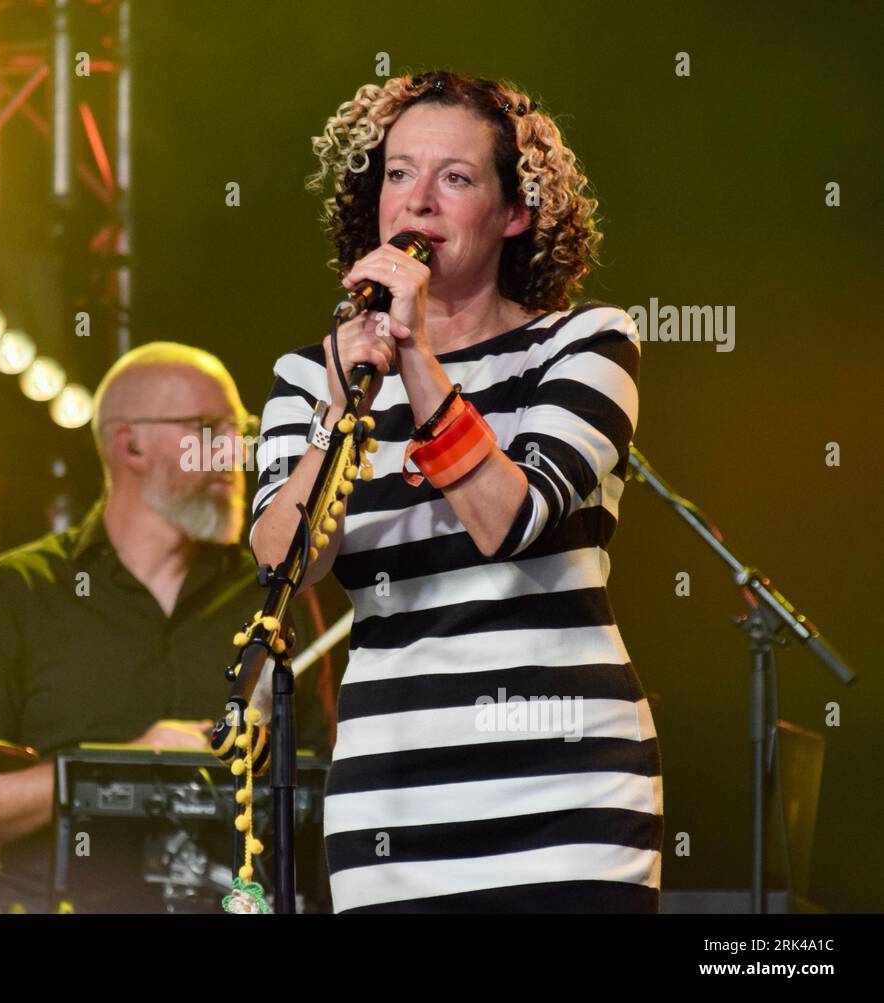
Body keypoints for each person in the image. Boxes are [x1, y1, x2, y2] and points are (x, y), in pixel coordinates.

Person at [250, 69, 663, 913]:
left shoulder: (583, 345)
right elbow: (285, 557)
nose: (419, 203)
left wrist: (415, 356)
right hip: (391, 803)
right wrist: (341, 403)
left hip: (563, 797)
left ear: (516, 213)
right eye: (399, 174)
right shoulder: (312, 377)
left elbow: (509, 518)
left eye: (456, 177)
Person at [0, 341, 333, 912]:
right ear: (132, 444)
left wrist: (269, 760)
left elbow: (328, 796)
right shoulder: (16, 591)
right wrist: (132, 763)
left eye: (241, 429)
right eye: (209, 428)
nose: (238, 451)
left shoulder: (273, 593)